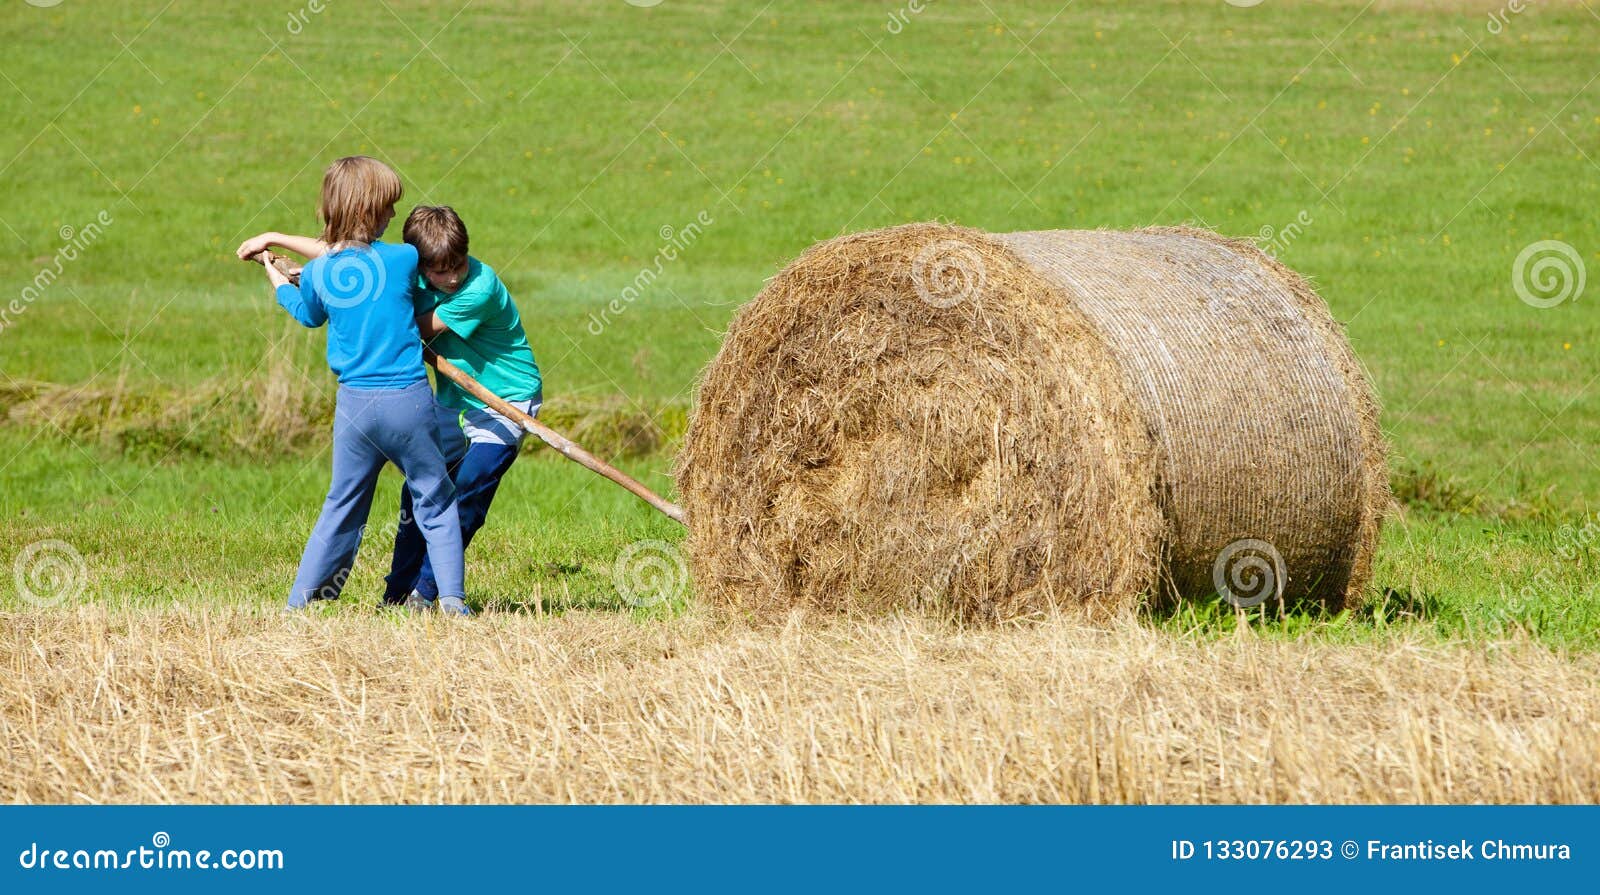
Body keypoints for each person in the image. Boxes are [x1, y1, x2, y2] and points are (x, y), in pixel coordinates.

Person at [236, 157, 469, 615]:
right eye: (388, 208)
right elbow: (348, 256)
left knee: (342, 505)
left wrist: (275, 270)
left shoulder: (322, 275)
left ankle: (300, 605)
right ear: (370, 212)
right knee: (435, 499)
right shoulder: (403, 259)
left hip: (355, 409)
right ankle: (453, 603)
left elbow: (310, 307)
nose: (394, 217)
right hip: (407, 400)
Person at [380, 205, 543, 614]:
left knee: (469, 489)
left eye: (458, 264)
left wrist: (367, 312)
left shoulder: (480, 288)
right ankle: (397, 592)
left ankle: (428, 592)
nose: (452, 277)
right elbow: (359, 259)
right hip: (453, 399)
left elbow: (411, 328)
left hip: (506, 402)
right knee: (420, 488)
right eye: (439, 271)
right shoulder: (412, 274)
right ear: (420, 264)